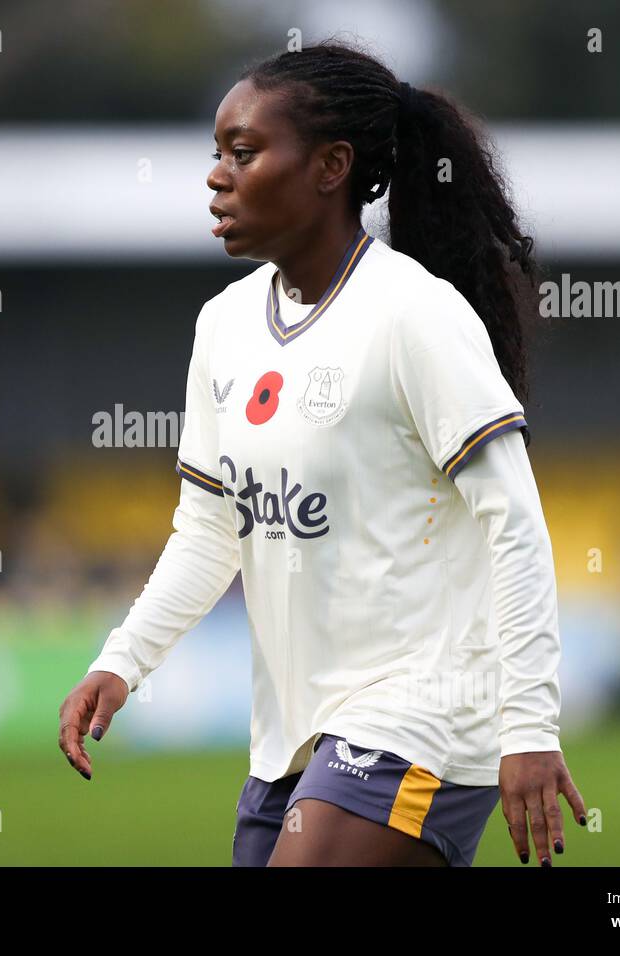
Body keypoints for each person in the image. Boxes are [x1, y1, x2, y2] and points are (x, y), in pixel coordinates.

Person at [58, 42, 586, 867]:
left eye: (244, 152)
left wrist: (527, 725)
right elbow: (209, 529)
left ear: (332, 166)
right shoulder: (223, 327)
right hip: (296, 736)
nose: (216, 176)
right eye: (217, 154)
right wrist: (122, 661)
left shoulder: (414, 314)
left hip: (427, 716)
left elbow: (515, 525)